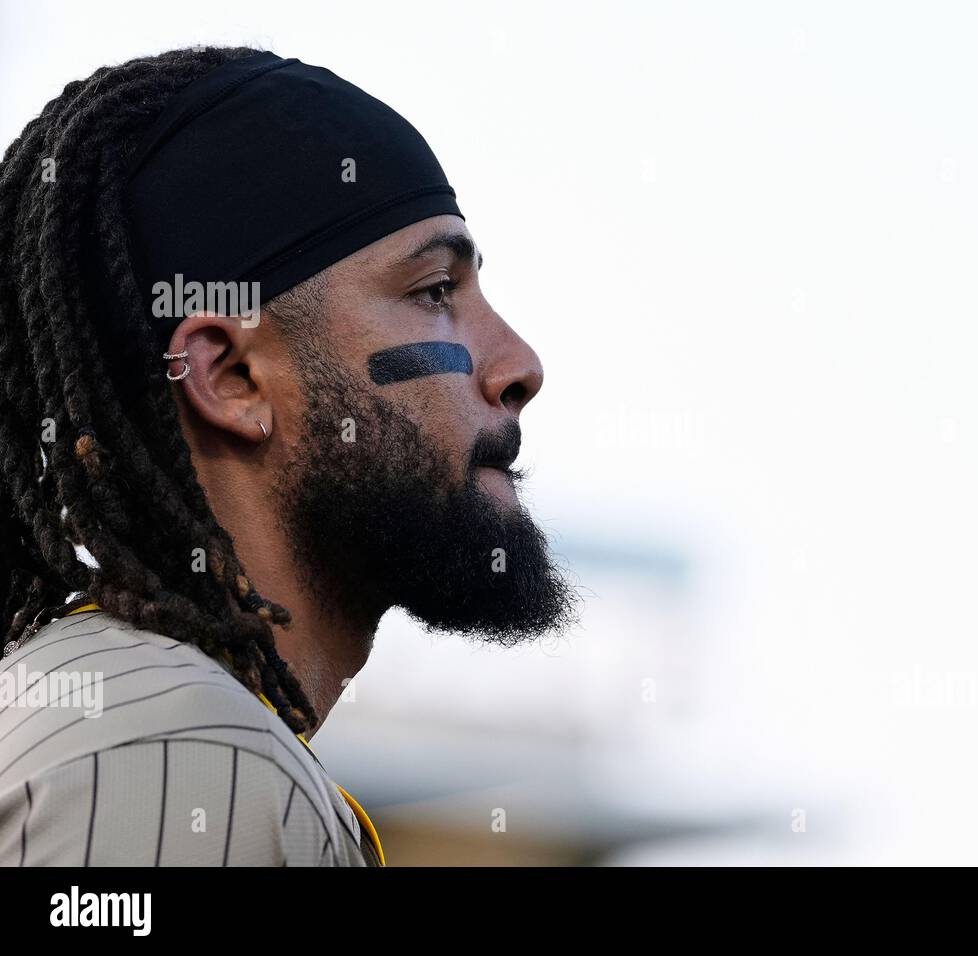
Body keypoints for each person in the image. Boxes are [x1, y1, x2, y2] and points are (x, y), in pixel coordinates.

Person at [0, 47, 576, 866]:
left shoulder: (156, 728)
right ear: (232, 379)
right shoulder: (180, 755)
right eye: (434, 294)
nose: (519, 364)